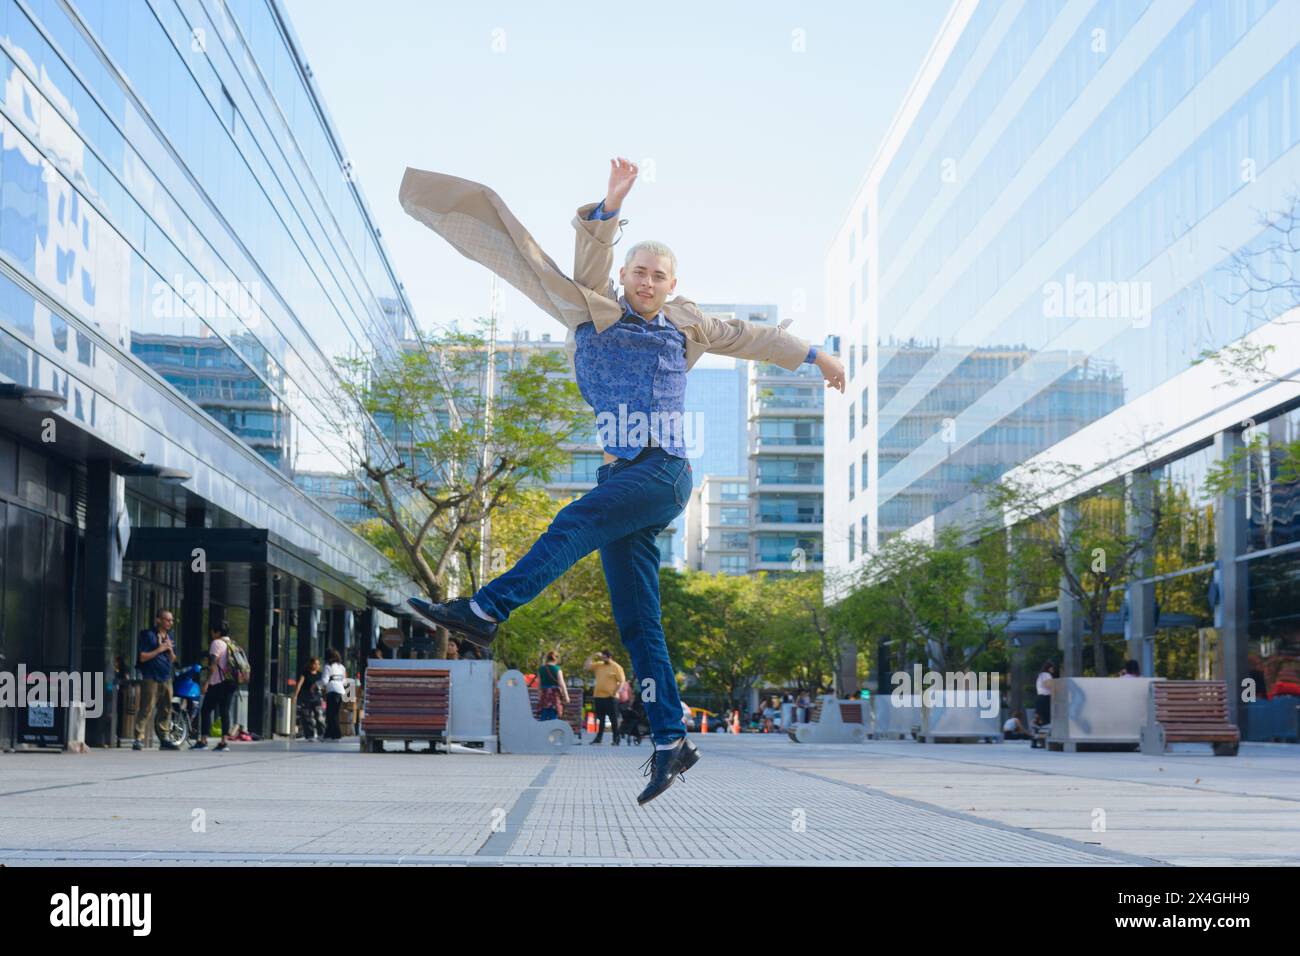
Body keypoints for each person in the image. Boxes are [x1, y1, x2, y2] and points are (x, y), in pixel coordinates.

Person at [405, 158, 846, 803]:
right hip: (625, 475)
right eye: (638, 272)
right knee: (639, 622)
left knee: (575, 521)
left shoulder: (686, 324)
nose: (647, 282)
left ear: (672, 285)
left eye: (659, 276)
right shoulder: (593, 308)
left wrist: (817, 355)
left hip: (663, 472)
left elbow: (751, 337)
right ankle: (672, 739)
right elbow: (588, 262)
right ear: (622, 275)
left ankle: (484, 611)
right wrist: (611, 205)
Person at [134, 608, 178, 751]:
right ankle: (138, 738)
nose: (170, 623)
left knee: (166, 708)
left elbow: (173, 659)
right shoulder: (148, 635)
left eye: (171, 620)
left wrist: (169, 648)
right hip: (150, 677)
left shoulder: (170, 636)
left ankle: (164, 738)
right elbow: (142, 657)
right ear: (158, 620)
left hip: (166, 677)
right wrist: (160, 649)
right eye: (167, 620)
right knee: (146, 707)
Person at [195, 622, 239, 751]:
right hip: (231, 682)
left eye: (212, 631)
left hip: (218, 682)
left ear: (218, 632)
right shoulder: (232, 643)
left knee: (206, 710)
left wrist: (207, 682)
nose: (211, 634)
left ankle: (203, 741)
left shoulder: (216, 643)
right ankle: (224, 742)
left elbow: (213, 665)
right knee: (225, 711)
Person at [585, 650, 626, 745]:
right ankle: (598, 738)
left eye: (605, 657)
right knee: (600, 719)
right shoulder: (599, 665)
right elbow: (587, 667)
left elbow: (622, 681)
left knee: (613, 719)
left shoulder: (616, 667)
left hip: (611, 697)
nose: (603, 659)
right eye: (602, 657)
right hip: (599, 696)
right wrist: (593, 655)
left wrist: (616, 691)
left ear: (609, 657)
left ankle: (616, 738)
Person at [294, 656, 325, 741]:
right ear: (311, 664)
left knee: (319, 716)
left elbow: (323, 686)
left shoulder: (320, 674)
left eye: (318, 664)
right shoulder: (305, 673)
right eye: (315, 663)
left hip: (317, 698)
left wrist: (324, 697)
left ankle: (321, 734)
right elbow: (299, 684)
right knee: (307, 717)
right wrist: (295, 696)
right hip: (306, 698)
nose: (317, 665)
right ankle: (310, 735)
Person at [536, 651, 570, 721]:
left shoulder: (541, 669)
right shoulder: (557, 669)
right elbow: (562, 683)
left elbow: (539, 684)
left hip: (544, 695)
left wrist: (539, 696)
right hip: (554, 695)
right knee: (553, 714)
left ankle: (541, 730)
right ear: (556, 659)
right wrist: (566, 696)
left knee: (544, 714)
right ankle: (552, 730)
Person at [322, 649, 348, 740]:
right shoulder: (342, 667)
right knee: (335, 713)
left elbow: (324, 681)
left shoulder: (328, 667)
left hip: (332, 690)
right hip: (340, 691)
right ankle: (329, 734)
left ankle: (336, 734)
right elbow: (345, 681)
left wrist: (319, 686)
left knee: (330, 714)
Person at [1035, 662, 1056, 729]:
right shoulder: (1046, 674)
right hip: (1045, 698)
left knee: (1044, 718)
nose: (1053, 669)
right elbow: (1049, 685)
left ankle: (1042, 732)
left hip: (1040, 698)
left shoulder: (1040, 675)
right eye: (1052, 667)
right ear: (1049, 668)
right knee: (1047, 718)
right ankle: (1047, 733)